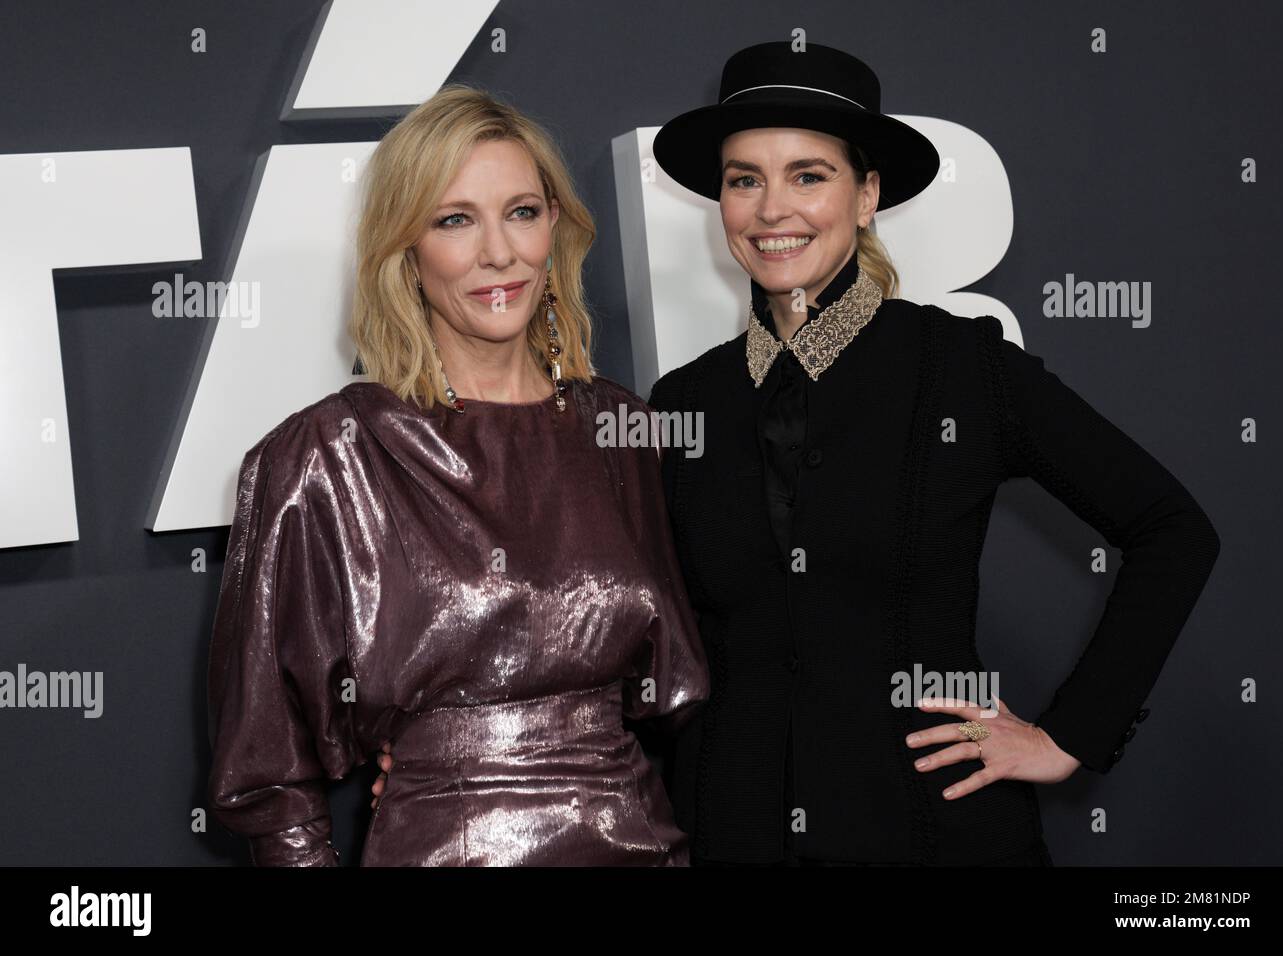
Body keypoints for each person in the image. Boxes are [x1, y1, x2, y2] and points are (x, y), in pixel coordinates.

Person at [640, 41, 1221, 865]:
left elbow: (1172, 528)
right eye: (745, 179)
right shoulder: (682, 402)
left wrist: (1069, 735)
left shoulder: (964, 369)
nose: (773, 209)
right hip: (734, 828)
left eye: (809, 175)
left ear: (868, 194)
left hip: (932, 832)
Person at [205, 84, 708, 866]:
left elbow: (682, 691)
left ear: (555, 228)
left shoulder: (621, 429)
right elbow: (269, 770)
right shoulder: (326, 455)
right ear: (406, 251)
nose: (498, 253)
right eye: (454, 220)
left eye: (521, 211)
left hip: (641, 845)